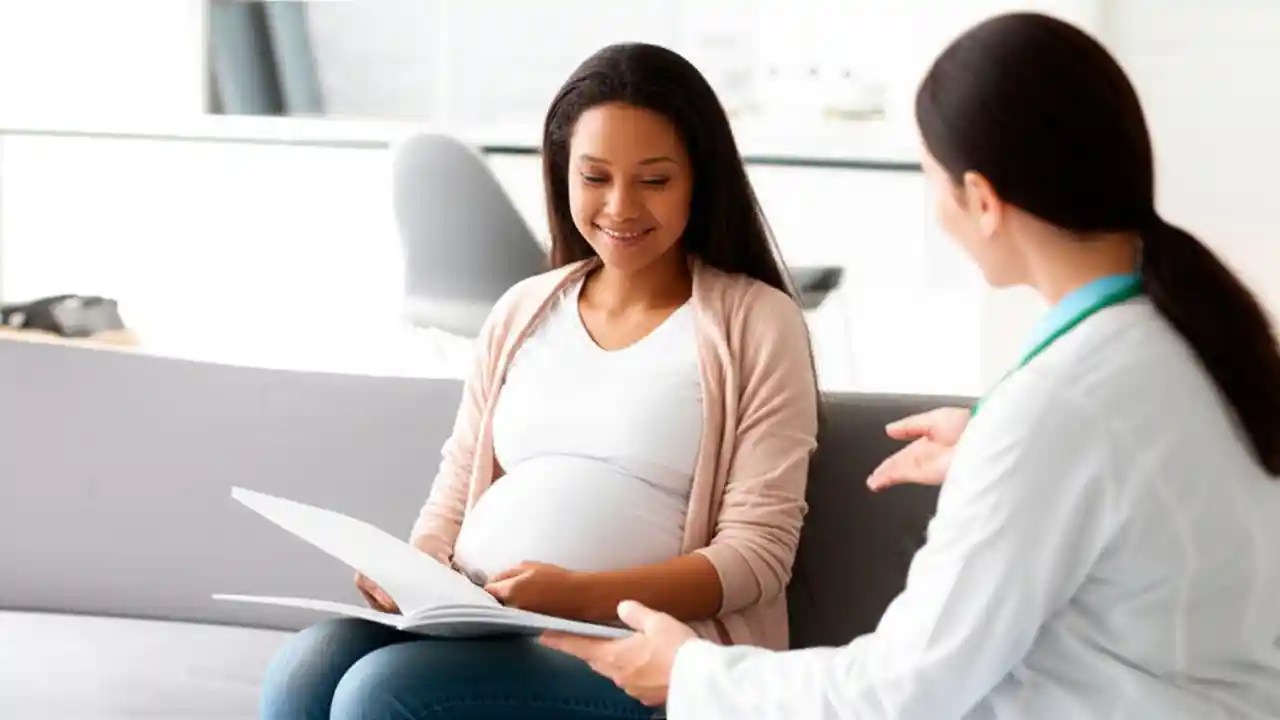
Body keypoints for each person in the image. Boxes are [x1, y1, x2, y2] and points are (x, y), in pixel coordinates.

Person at [545, 13, 1280, 719]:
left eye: (934, 181)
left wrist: (693, 674)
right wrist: (996, 454)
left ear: (982, 200)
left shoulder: (1061, 409)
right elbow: (1148, 505)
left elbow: (899, 692)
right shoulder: (1188, 341)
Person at [257, 42, 820, 720]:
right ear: (562, 174)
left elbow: (756, 560)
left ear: (699, 179)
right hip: (486, 627)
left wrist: (579, 594)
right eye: (595, 176)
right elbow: (456, 487)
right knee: (304, 670)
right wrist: (415, 572)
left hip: (634, 657)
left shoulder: (756, 322)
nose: (621, 205)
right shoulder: (523, 311)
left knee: (380, 694)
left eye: (655, 179)